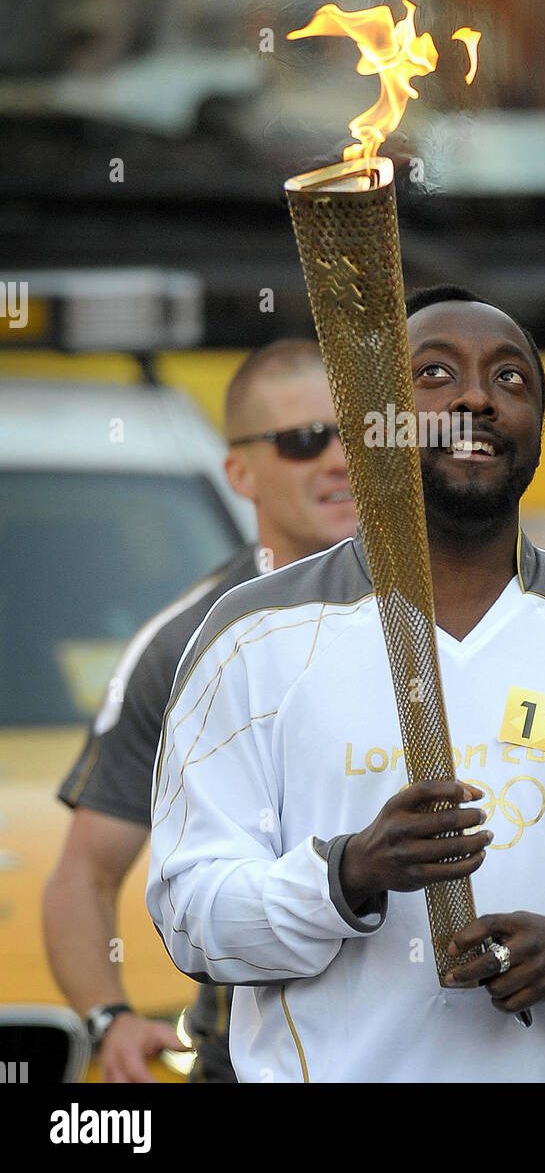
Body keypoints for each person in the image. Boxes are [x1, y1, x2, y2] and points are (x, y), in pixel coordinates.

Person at [147, 286, 545, 1083]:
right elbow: (192, 918)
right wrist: (348, 875)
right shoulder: (252, 637)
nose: (477, 396)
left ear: (537, 429)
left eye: (510, 381)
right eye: (434, 374)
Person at [43, 339, 357, 1083]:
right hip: (254, 1066)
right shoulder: (185, 646)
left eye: (357, 432)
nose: (339, 460)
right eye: (304, 441)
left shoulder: (462, 603)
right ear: (240, 472)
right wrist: (108, 1018)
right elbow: (82, 876)